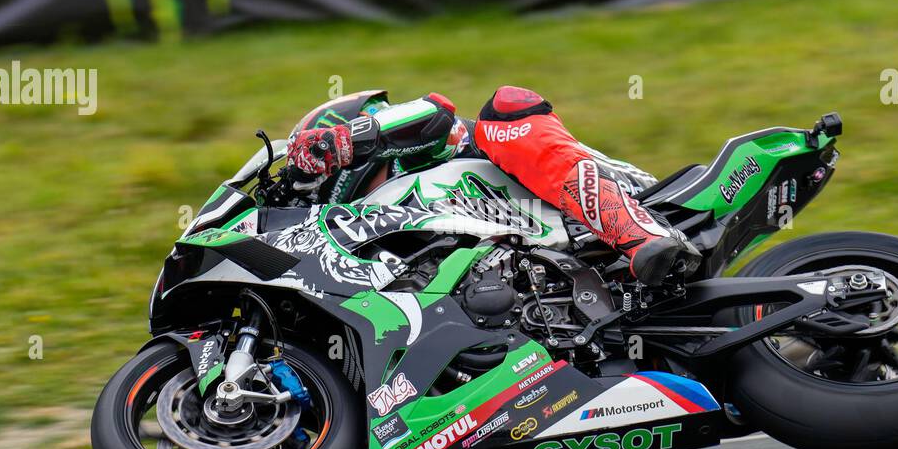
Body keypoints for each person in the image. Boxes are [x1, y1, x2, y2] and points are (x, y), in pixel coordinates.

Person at [285, 86, 701, 285]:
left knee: (503, 114)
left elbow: (436, 113)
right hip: (569, 277)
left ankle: (640, 234)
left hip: (633, 198)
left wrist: (336, 142)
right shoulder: (382, 236)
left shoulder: (422, 150)